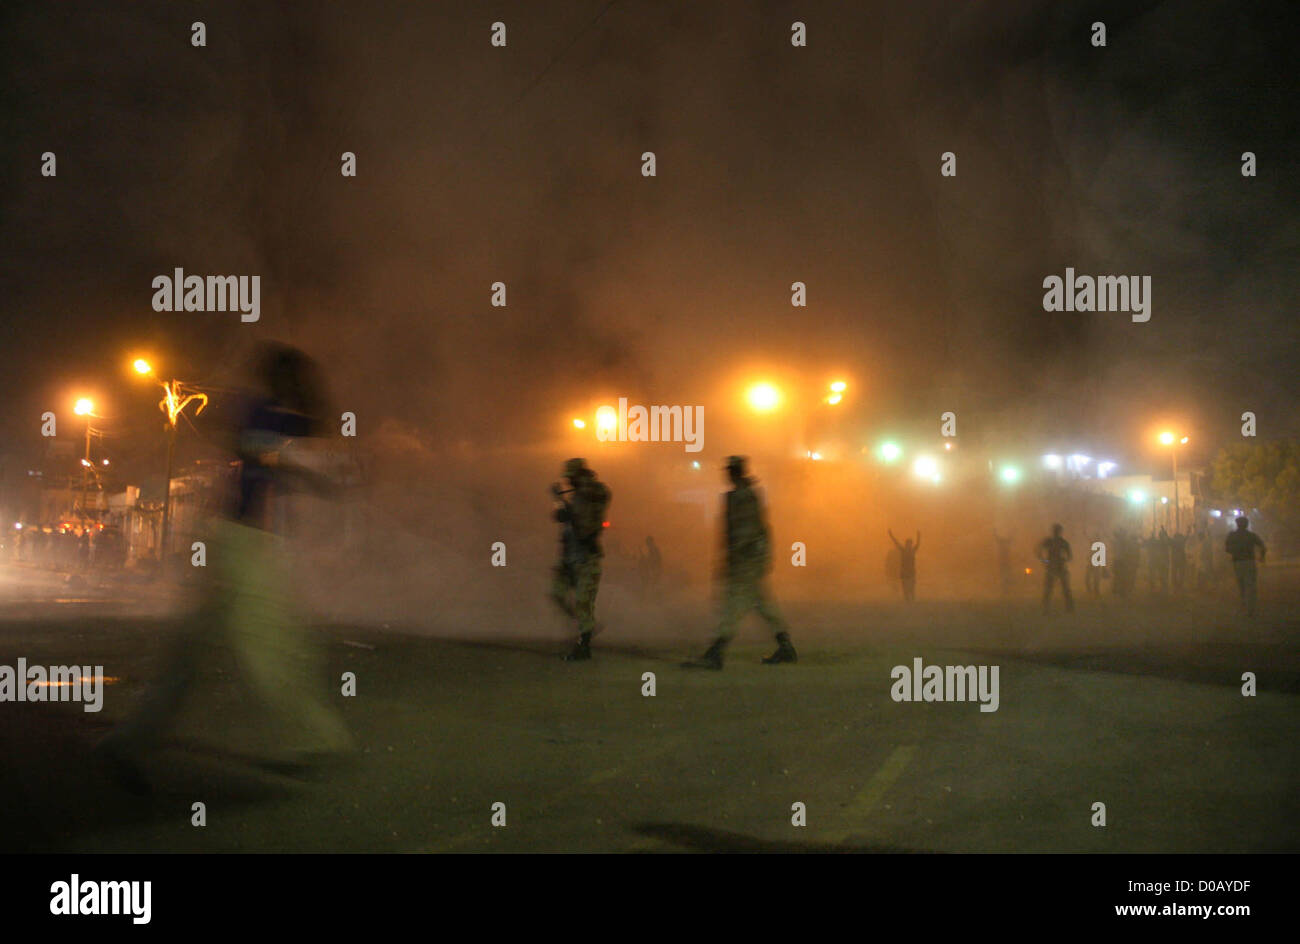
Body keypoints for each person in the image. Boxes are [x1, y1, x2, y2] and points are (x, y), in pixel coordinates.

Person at [97, 343, 353, 792]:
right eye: (296, 379)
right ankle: (311, 739)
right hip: (242, 542)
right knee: (270, 640)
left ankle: (132, 740)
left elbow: (305, 438)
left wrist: (317, 463)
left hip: (230, 539)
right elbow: (256, 445)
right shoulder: (259, 409)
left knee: (190, 648)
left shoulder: (277, 414)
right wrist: (306, 466)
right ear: (284, 380)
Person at [684, 456, 795, 670]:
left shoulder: (740, 497)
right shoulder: (749, 494)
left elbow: (743, 532)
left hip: (744, 560)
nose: (726, 474)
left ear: (734, 472)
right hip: (752, 560)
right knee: (763, 604)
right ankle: (786, 646)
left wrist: (731, 559)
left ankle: (715, 653)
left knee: (732, 605)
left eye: (729, 470)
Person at [550, 458, 611, 661]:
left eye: (570, 478)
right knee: (557, 594)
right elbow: (561, 516)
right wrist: (561, 499)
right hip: (570, 556)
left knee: (583, 602)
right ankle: (586, 628)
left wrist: (564, 497)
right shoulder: (578, 495)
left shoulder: (592, 492)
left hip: (586, 556)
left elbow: (579, 519)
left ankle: (583, 645)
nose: (568, 482)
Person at [1224, 516, 1266, 616]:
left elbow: (1227, 549)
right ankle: (1250, 607)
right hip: (1249, 562)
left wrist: (1235, 551)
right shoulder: (1251, 535)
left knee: (1241, 584)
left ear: (1237, 524)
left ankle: (1244, 603)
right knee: (1251, 585)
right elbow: (1263, 546)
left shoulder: (1232, 536)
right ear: (1246, 525)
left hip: (1237, 562)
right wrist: (1262, 557)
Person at [1038, 523, 1074, 613]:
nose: (1056, 533)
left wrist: (1045, 561)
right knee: (1054, 588)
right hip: (1055, 567)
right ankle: (1067, 607)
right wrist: (1045, 561)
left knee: (1056, 588)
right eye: (1056, 531)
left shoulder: (1059, 542)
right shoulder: (1058, 542)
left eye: (1057, 531)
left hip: (1056, 567)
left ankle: (1067, 607)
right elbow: (1070, 556)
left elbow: (1070, 556)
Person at [888, 529, 921, 602]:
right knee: (905, 586)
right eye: (908, 544)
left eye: (910, 544)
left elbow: (918, 544)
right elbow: (896, 542)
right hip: (904, 571)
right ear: (906, 544)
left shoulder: (912, 550)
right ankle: (907, 598)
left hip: (911, 571)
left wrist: (918, 536)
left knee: (912, 586)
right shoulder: (903, 550)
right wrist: (891, 535)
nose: (909, 545)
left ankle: (912, 597)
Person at [993, 531, 1014, 597]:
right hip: (1005, 563)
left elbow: (997, 538)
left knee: (1004, 576)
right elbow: (997, 538)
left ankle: (1006, 590)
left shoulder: (1002, 544)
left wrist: (994, 532)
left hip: (1004, 563)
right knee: (1005, 576)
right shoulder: (1006, 544)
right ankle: (1006, 590)